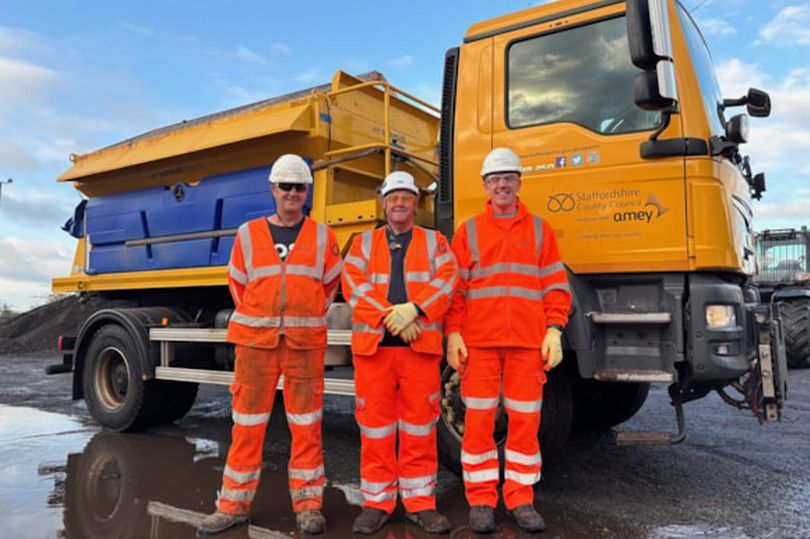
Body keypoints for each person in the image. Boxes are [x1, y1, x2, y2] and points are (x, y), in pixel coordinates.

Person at [198, 154, 342, 535]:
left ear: (307, 191)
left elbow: (329, 287)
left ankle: (309, 506)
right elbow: (238, 285)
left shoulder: (324, 236)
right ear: (273, 190)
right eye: (286, 186)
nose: (292, 193)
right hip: (256, 344)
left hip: (303, 345)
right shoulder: (248, 234)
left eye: (299, 187)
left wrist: (299, 315)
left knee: (307, 426)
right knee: (247, 426)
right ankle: (232, 506)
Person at [445, 147, 571, 534]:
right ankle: (481, 498)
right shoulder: (468, 231)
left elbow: (554, 284)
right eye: (495, 179)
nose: (502, 185)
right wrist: (452, 333)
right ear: (485, 185)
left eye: (508, 178)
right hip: (480, 345)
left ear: (519, 183)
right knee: (479, 422)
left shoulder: (539, 230)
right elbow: (456, 290)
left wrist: (554, 329)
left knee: (525, 423)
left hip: (526, 344)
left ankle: (520, 497)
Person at [341, 171, 458, 535]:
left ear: (416, 203)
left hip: (418, 349)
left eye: (407, 197)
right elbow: (353, 286)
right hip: (376, 349)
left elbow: (449, 279)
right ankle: (377, 503)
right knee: (374, 428)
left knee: (420, 428)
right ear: (384, 202)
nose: (400, 203)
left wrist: (416, 310)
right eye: (394, 197)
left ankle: (420, 503)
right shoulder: (362, 243)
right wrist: (393, 316)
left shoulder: (435, 241)